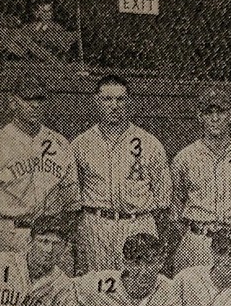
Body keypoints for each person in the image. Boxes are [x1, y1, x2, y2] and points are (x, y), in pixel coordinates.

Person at [0, 73, 77, 257]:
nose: (34, 105)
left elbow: (72, 203)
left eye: (39, 99)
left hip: (48, 235)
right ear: (13, 102)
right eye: (27, 99)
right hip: (7, 233)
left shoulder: (60, 144)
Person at [69, 74, 172, 275]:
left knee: (138, 284)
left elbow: (163, 200)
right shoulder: (81, 144)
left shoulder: (149, 143)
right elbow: (72, 194)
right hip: (97, 224)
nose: (114, 106)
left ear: (129, 102)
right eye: (107, 99)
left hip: (137, 223)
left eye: (120, 99)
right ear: (96, 101)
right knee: (98, 286)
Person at [168, 86, 231, 277]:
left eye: (220, 112)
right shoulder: (185, 157)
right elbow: (175, 209)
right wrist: (194, 235)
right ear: (200, 116)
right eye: (209, 112)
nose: (215, 118)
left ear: (230, 115)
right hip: (199, 241)